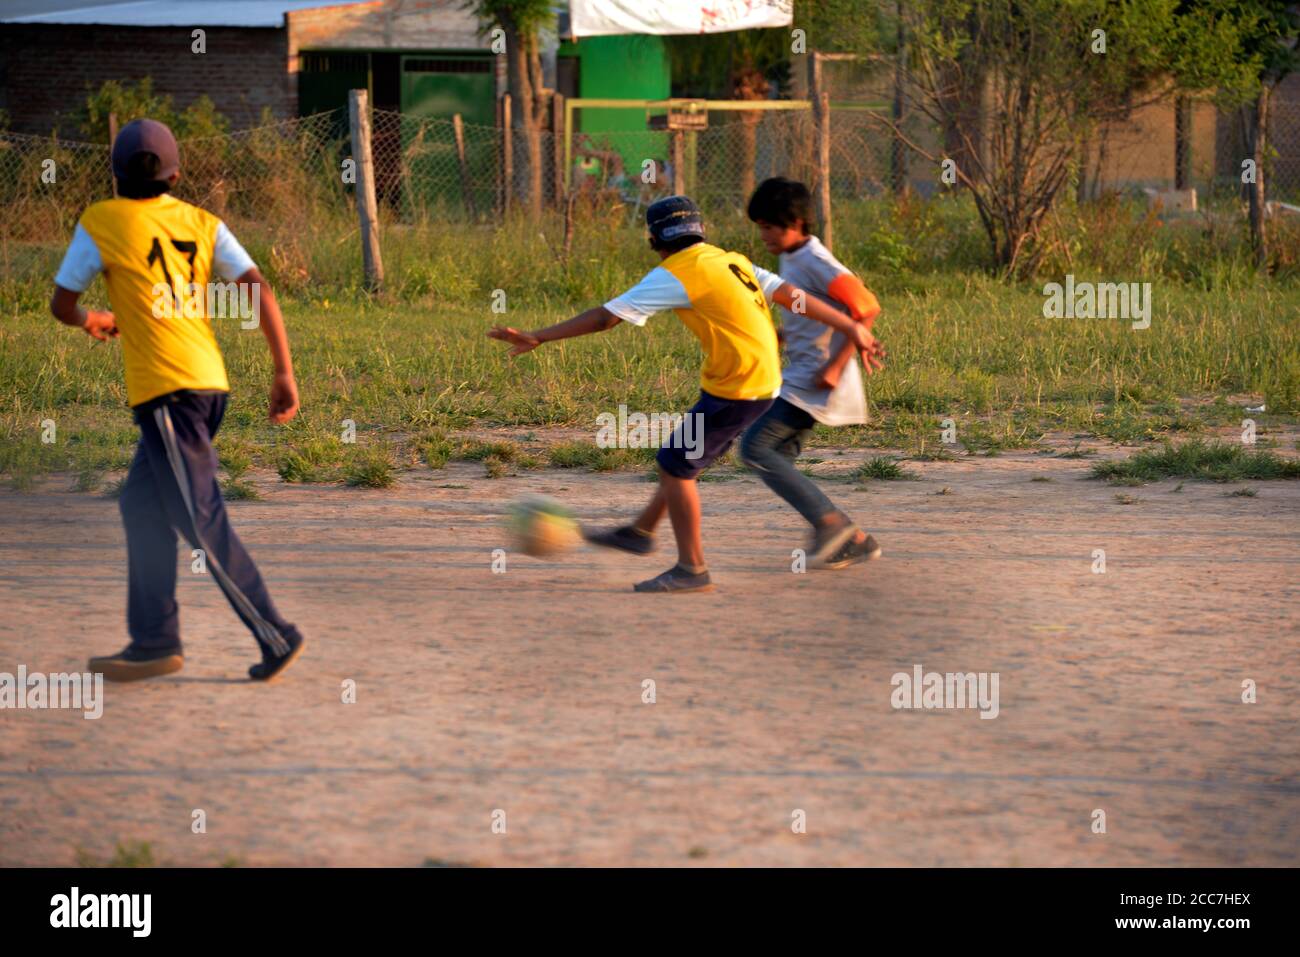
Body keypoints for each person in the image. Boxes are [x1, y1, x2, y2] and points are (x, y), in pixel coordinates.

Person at [488, 194, 881, 592]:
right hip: (752, 381)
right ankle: (639, 533)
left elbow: (606, 318)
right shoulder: (731, 260)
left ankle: (692, 569)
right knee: (682, 457)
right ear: (701, 231)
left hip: (739, 389)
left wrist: (539, 336)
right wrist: (849, 327)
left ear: (654, 242)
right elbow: (793, 297)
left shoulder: (675, 273)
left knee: (676, 466)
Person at [50, 118, 306, 682]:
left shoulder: (102, 220)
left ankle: (276, 634)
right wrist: (282, 369)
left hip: (169, 394)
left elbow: (62, 302)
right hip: (207, 383)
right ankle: (154, 641)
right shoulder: (203, 222)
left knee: (200, 519)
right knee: (141, 507)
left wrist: (92, 317)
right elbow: (256, 288)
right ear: (176, 174)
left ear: (114, 176)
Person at [739, 176, 886, 568]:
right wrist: (784, 335)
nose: (764, 235)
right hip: (804, 374)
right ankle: (850, 539)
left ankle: (832, 523)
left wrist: (836, 367)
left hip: (817, 379)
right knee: (778, 455)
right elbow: (816, 312)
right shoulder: (793, 257)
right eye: (760, 227)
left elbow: (866, 307)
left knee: (755, 449)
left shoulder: (814, 259)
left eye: (769, 226)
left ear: (797, 223)